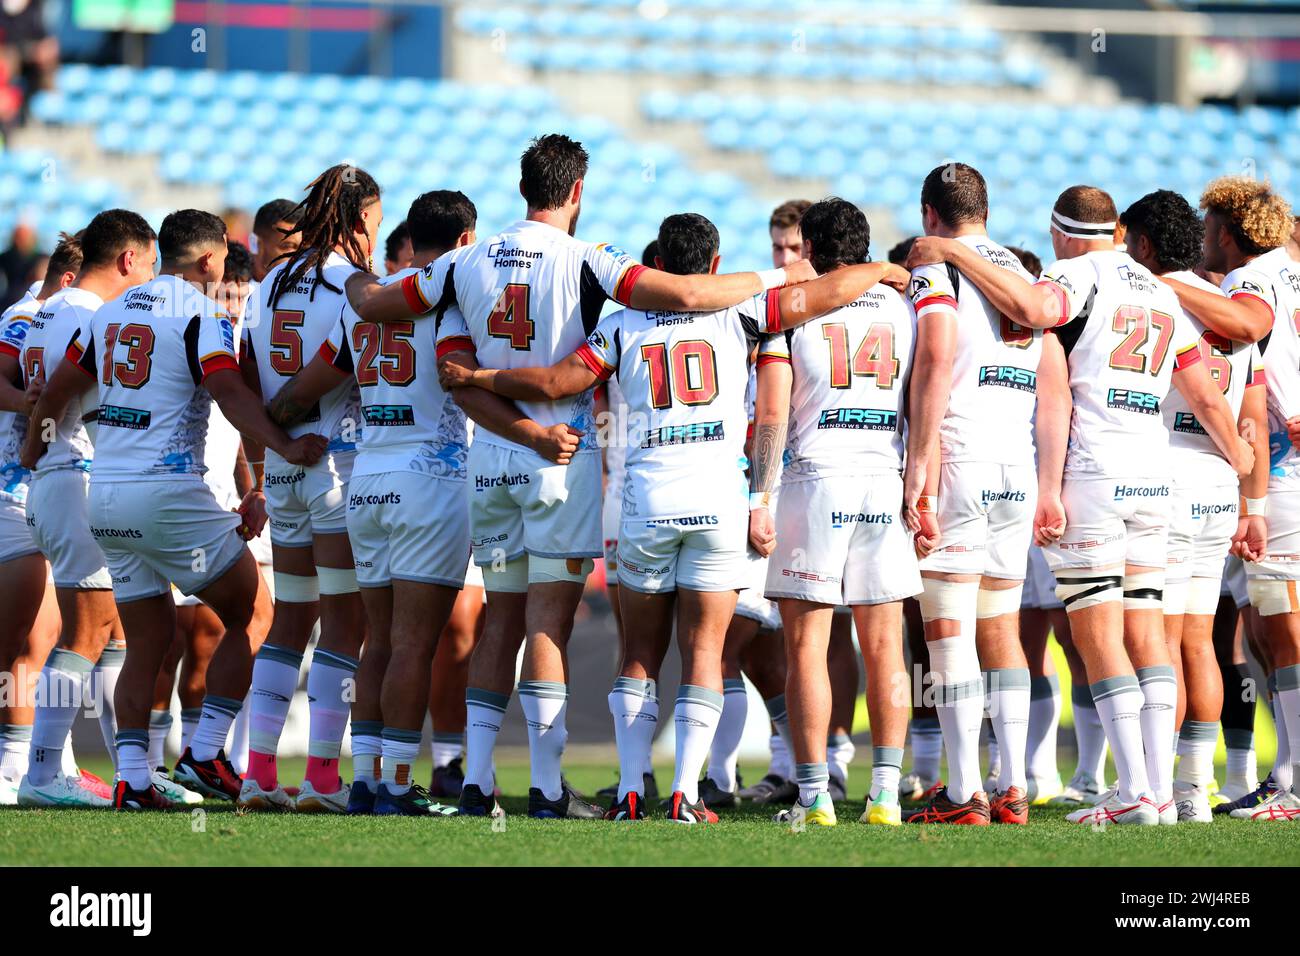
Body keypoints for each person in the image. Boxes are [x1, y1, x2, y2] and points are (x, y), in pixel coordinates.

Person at [345, 134, 815, 819]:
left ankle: (476, 781)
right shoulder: (590, 261)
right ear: (577, 191)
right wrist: (775, 279)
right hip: (558, 457)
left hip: (489, 458)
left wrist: (348, 267)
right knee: (547, 622)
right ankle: (543, 786)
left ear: (522, 186)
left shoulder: (463, 262)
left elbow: (386, 316)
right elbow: (682, 293)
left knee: (499, 619)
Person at [908, 184, 1252, 826]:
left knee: (1099, 640)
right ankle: (1165, 792)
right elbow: (1203, 392)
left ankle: (1133, 795)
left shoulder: (1075, 272)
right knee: (1152, 637)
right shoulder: (1160, 290)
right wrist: (1239, 452)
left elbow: (1036, 308)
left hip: (1093, 474)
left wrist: (954, 252)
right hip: (1156, 476)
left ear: (1061, 231)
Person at [30, 209, 325, 808]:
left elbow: (57, 391)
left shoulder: (108, 314)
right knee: (255, 613)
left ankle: (134, 780)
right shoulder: (204, 314)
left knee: (148, 640)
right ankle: (206, 751)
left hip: (104, 497)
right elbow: (230, 393)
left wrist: (33, 447)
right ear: (213, 260)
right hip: (167, 493)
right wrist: (285, 447)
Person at [902, 163, 1070, 825]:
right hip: (1015, 469)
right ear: (987, 210)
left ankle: (964, 790)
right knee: (1000, 634)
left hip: (960, 458)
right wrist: (1049, 484)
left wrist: (919, 462)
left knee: (948, 633)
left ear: (928, 213)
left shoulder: (936, 266)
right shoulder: (1023, 274)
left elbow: (938, 355)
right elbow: (1053, 391)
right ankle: (1010, 784)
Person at [751, 198, 917, 826]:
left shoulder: (795, 309)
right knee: (885, 649)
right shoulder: (904, 307)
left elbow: (770, 417)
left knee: (807, 648)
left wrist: (759, 499)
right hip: (885, 476)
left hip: (816, 478)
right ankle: (884, 795)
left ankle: (814, 794)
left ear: (812, 249)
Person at [1120, 189, 1269, 822]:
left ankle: (1157, 786)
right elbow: (1254, 418)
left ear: (1146, 245)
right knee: (1200, 641)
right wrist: (1248, 501)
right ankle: (1195, 790)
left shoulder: (1158, 301)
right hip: (1217, 485)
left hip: (1172, 472)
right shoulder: (1231, 311)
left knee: (1160, 640)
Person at [237, 165, 379, 811]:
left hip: (285, 468)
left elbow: (242, 375)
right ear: (354, 224)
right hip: (334, 463)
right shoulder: (352, 283)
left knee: (290, 620)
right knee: (343, 625)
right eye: (373, 224)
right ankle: (323, 778)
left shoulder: (265, 286)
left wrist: (269, 448)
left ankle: (258, 775)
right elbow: (346, 365)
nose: (374, 238)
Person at [15, 210, 157, 808]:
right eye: (148, 266)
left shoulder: (50, 309)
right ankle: (43, 774)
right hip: (75, 475)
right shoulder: (93, 317)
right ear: (127, 260)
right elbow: (60, 398)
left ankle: (131, 772)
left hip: (57, 479)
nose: (149, 279)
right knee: (89, 626)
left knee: (115, 626)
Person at [0, 232, 79, 803]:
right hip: (15, 486)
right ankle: (13, 764)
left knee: (49, 633)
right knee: (28, 635)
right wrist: (27, 402)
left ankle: (50, 761)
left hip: (39, 485)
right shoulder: (27, 316)